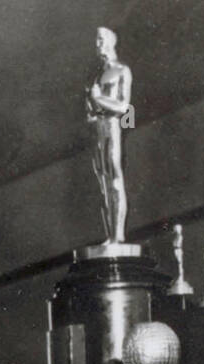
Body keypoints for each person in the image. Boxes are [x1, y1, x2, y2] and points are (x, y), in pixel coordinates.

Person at [86, 27, 132, 245]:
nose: (97, 44)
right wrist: (93, 110)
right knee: (102, 182)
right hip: (99, 129)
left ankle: (118, 235)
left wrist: (98, 100)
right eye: (96, 39)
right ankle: (109, 235)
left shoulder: (122, 70)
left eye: (101, 39)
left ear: (112, 41)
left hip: (113, 126)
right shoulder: (97, 76)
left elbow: (123, 107)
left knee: (114, 178)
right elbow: (91, 110)